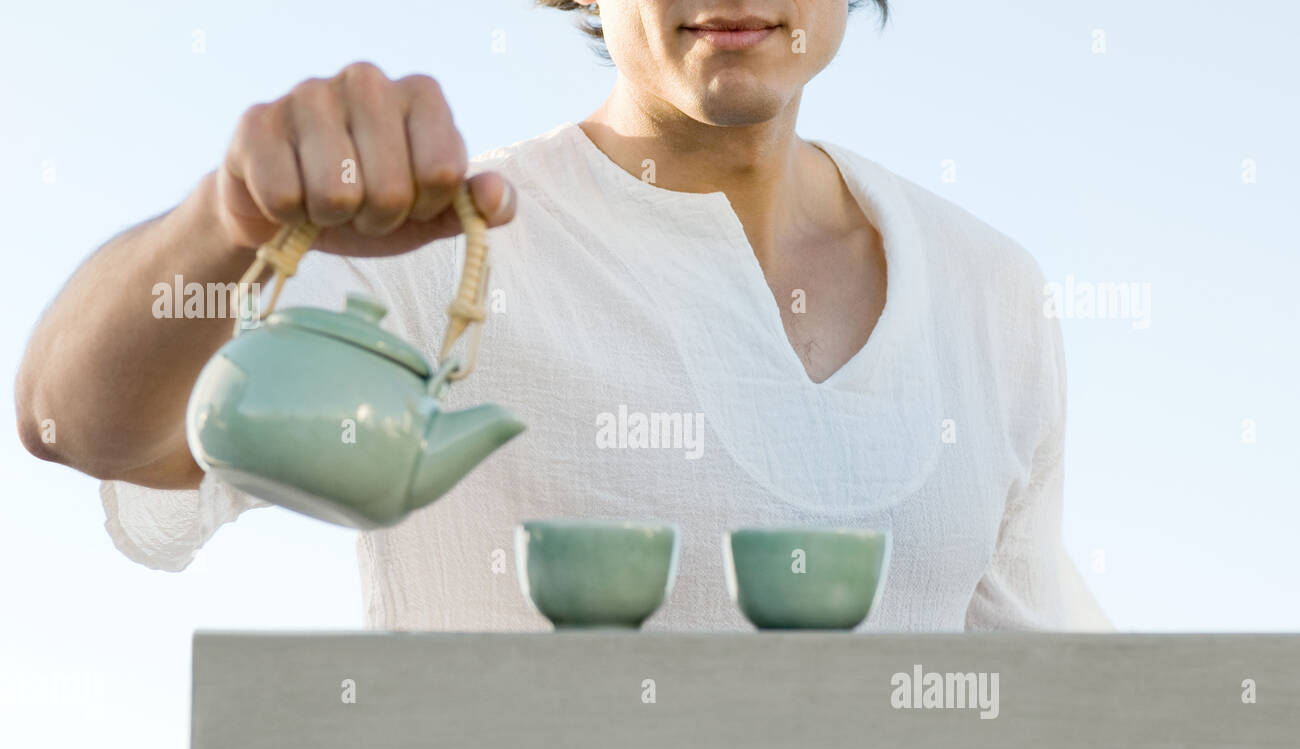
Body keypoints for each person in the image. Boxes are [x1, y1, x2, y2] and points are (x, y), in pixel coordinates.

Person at [14, 0, 1112, 632]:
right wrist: (226, 216)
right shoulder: (445, 240)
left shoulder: (992, 294)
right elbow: (77, 424)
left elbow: (1023, 737)